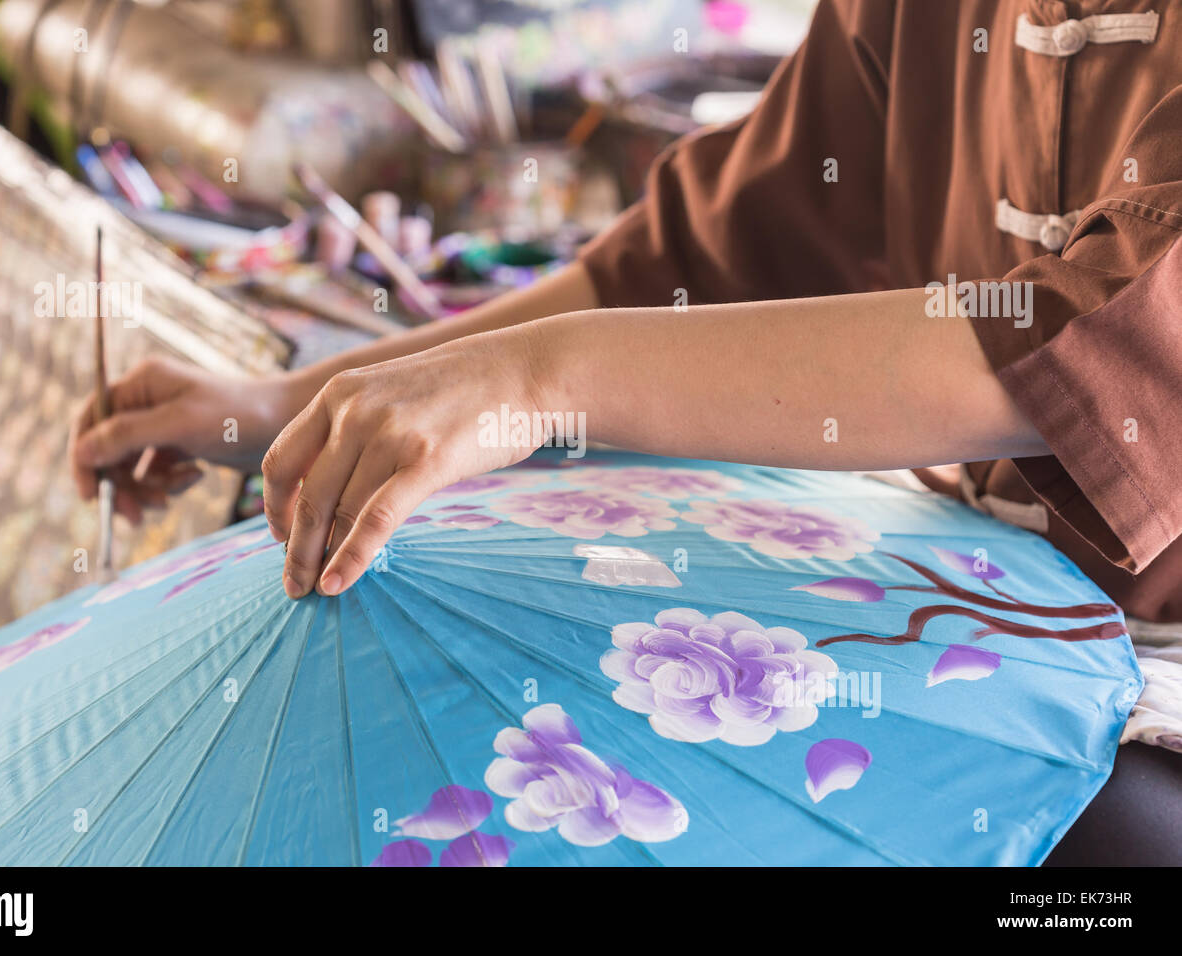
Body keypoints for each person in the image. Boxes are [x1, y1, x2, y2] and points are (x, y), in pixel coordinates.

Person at [70, 0, 1182, 863]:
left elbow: (1090, 340)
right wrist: (302, 401)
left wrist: (538, 378)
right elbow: (699, 268)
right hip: (964, 609)